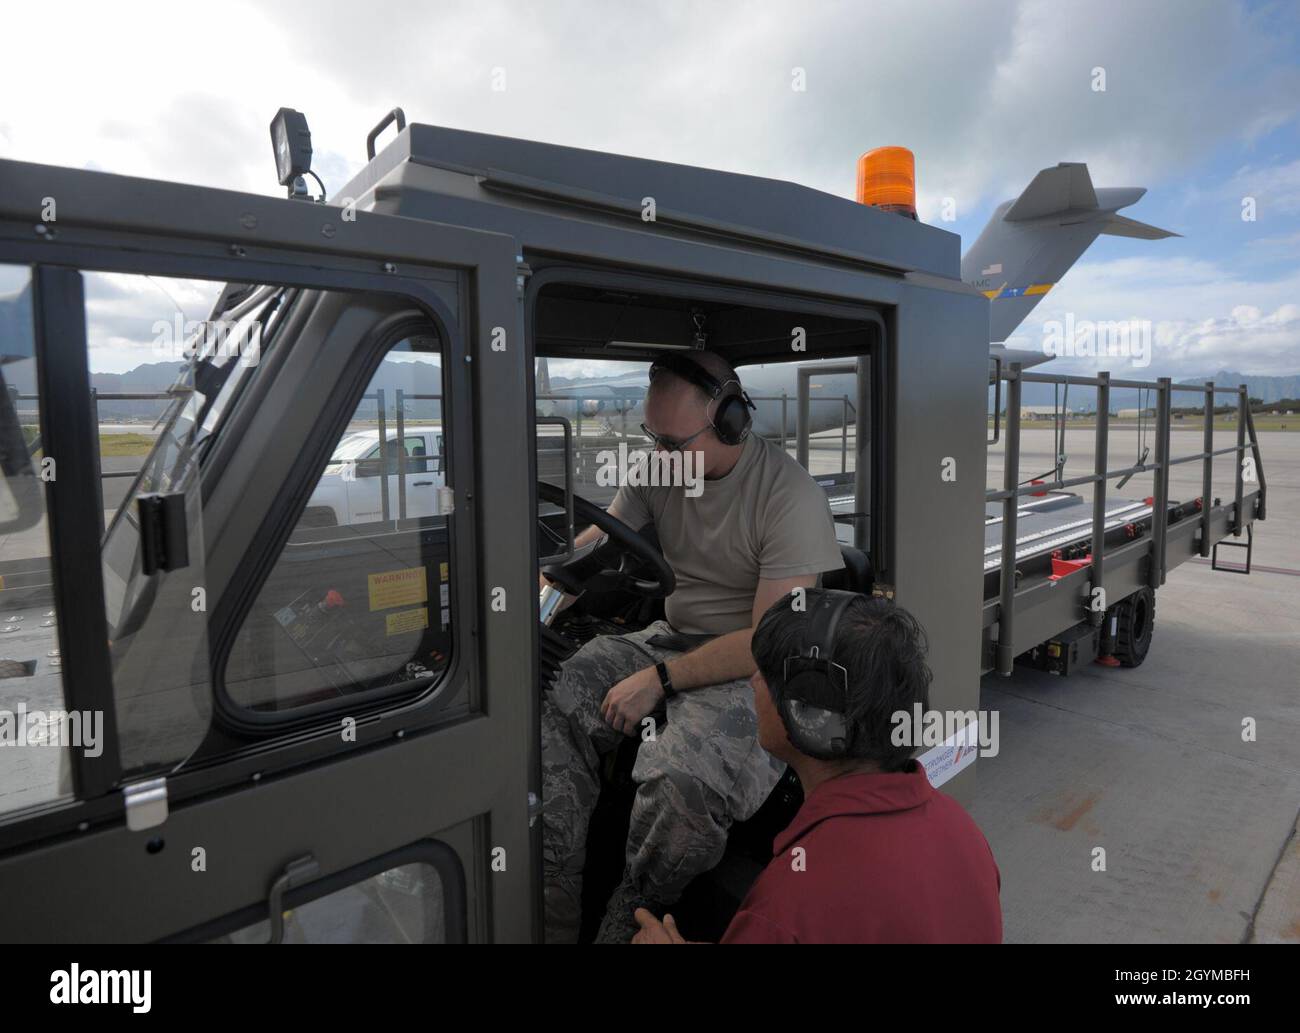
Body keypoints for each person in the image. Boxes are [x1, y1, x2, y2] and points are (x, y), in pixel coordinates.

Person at [542, 350, 845, 943]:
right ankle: (553, 897)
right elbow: (601, 543)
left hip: (750, 667)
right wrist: (544, 591)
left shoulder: (789, 497)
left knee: (680, 777)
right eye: (652, 437)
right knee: (561, 690)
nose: (659, 457)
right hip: (670, 639)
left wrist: (660, 679)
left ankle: (632, 915)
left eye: (674, 443)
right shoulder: (662, 469)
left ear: (731, 422)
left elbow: (768, 640)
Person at [631, 589, 1003, 944]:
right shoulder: (962, 830)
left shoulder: (790, 902)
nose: (753, 680)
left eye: (765, 673)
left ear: (808, 717)